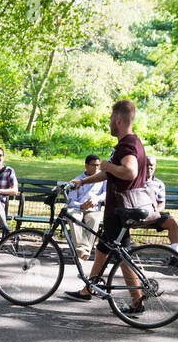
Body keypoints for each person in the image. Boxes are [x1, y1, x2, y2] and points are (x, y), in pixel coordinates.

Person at [63, 100, 151, 310]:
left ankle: (137, 300)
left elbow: (129, 172)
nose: (110, 123)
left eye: (111, 119)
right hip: (118, 209)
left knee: (122, 255)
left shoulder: (128, 144)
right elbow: (108, 173)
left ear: (118, 120)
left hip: (120, 210)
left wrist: (108, 164)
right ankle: (89, 289)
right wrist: (83, 181)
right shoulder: (130, 142)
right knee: (103, 248)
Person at [67, 154, 106, 259]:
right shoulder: (77, 180)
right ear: (86, 165)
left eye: (98, 165)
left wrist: (97, 199)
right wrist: (81, 206)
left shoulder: (102, 179)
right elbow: (70, 201)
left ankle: (84, 251)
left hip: (93, 209)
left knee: (93, 220)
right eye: (93, 165)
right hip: (78, 208)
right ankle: (83, 249)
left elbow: (106, 193)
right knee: (74, 218)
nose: (96, 168)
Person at [145, 156, 178, 256]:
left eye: (151, 165)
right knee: (124, 223)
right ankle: (123, 253)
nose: (149, 167)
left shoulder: (159, 184)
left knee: (173, 222)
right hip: (138, 213)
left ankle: (175, 256)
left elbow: (162, 203)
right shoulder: (136, 181)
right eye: (146, 164)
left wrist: (155, 211)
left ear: (155, 166)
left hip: (154, 214)